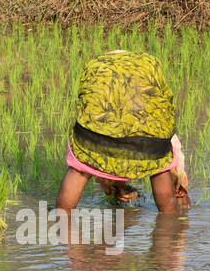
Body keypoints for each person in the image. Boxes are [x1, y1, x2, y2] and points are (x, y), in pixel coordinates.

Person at [55, 50, 189, 214]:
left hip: (93, 142)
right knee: (159, 168)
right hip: (150, 146)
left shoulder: (95, 70)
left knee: (79, 169)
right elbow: (167, 109)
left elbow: (84, 102)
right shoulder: (151, 87)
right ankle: (168, 219)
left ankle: (63, 216)